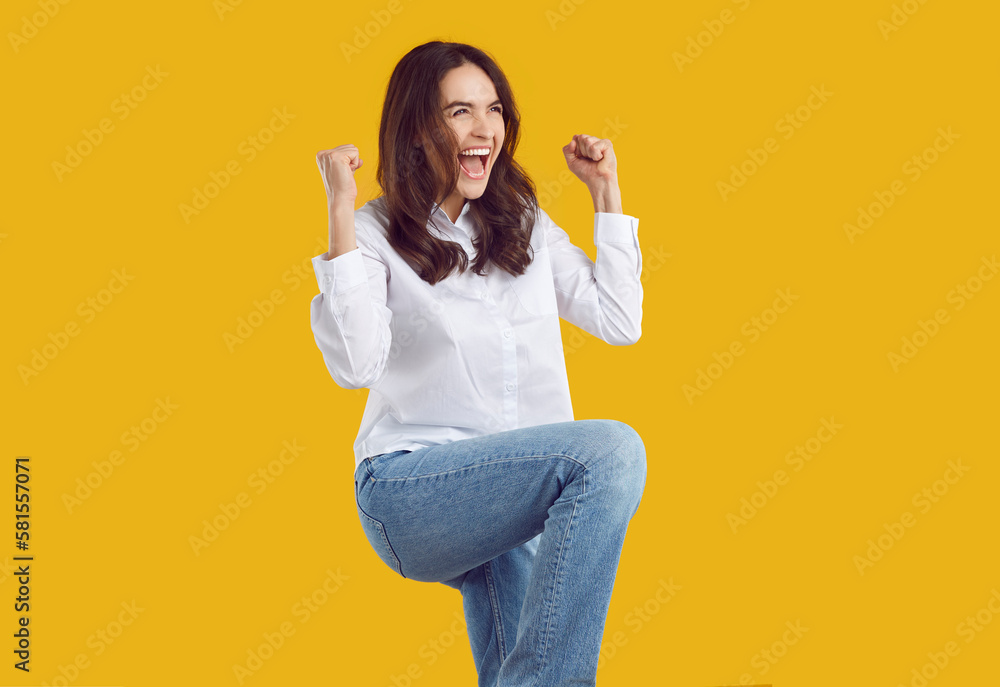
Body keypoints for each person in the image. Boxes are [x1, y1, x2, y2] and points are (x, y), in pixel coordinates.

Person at [310, 40, 647, 687]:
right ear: (417, 129)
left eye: (493, 109)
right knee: (610, 452)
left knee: (513, 656)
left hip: (506, 500)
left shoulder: (522, 223)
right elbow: (356, 365)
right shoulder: (376, 231)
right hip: (409, 491)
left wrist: (605, 191)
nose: (484, 127)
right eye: (460, 111)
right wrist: (340, 211)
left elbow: (618, 319)